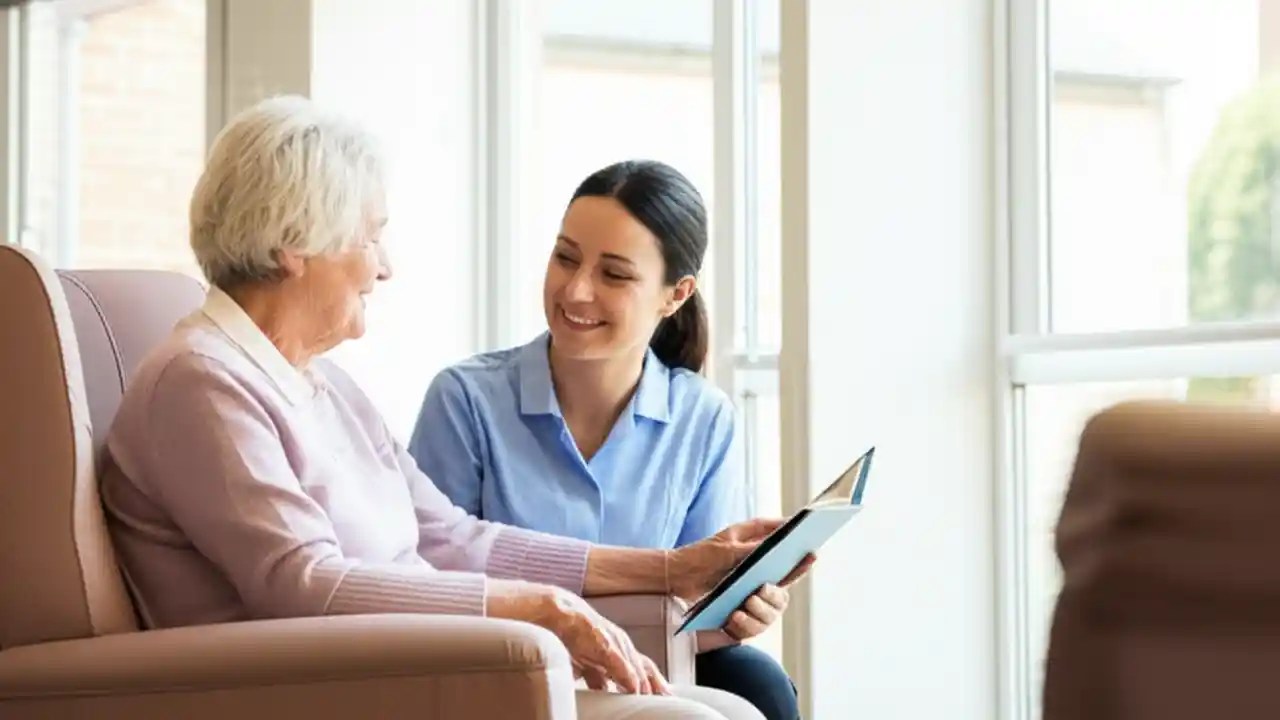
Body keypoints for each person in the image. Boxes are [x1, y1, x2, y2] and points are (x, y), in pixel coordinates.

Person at [99, 96, 797, 719]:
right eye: (368, 235)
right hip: (324, 688)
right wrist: (534, 608)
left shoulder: (317, 383)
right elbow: (302, 583)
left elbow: (452, 537)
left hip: (411, 669)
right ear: (293, 246)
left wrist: (672, 571)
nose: (384, 265)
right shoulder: (202, 384)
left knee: (735, 705)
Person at [408, 160, 804, 720]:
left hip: (649, 667)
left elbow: (696, 608)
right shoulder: (465, 401)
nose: (575, 290)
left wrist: (742, 610)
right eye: (565, 257)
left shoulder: (704, 418)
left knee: (758, 683)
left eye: (614, 274)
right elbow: (427, 578)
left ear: (675, 295)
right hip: (504, 667)